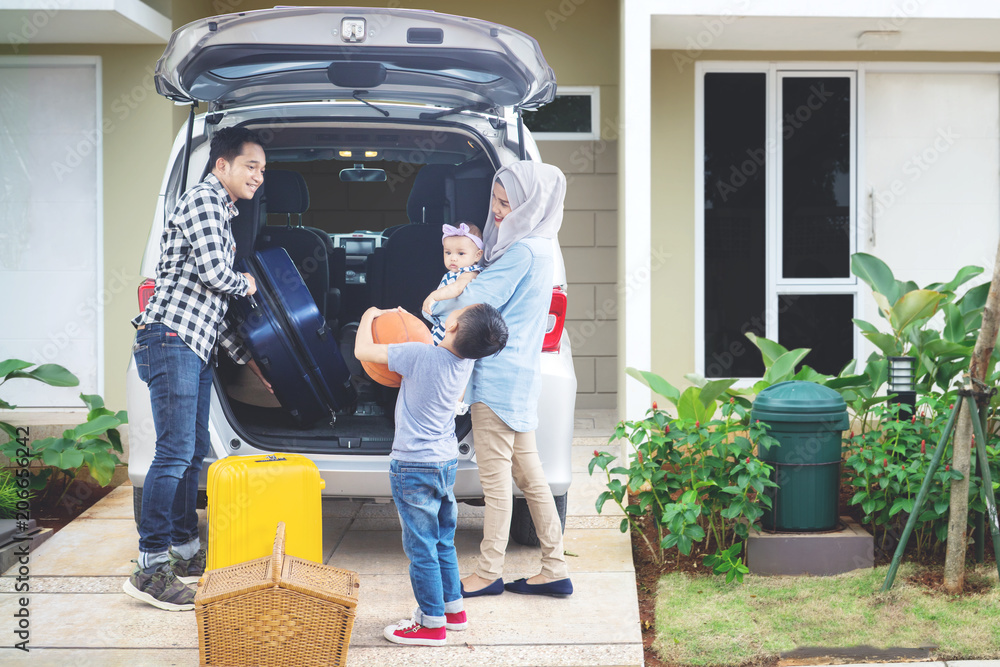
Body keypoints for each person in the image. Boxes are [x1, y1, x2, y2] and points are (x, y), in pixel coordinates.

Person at [125, 127, 272, 611]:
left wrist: (248, 359)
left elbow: (207, 306)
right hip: (170, 338)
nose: (258, 175)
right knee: (172, 453)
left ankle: (185, 550)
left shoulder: (224, 210)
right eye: (251, 165)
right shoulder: (206, 201)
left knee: (189, 453)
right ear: (222, 165)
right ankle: (149, 568)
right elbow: (216, 276)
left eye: (263, 169)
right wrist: (248, 282)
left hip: (192, 340)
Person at [429, 161, 574, 599]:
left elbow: (475, 300)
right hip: (520, 378)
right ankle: (555, 567)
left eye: (507, 203)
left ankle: (488, 571)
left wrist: (436, 301)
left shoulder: (522, 251)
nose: (496, 210)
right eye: (495, 198)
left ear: (531, 204)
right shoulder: (542, 245)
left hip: (496, 378)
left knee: (495, 483)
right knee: (531, 478)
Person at [354, 303, 508, 646]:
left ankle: (431, 624)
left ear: (452, 325)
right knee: (441, 540)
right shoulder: (467, 361)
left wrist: (369, 316)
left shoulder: (418, 355)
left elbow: (362, 349)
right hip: (444, 462)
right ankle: (453, 611)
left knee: (420, 546)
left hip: (412, 465)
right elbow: (450, 339)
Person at [422, 222, 485, 345]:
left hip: (454, 327)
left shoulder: (470, 272)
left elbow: (456, 288)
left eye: (461, 253)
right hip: (443, 323)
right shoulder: (454, 273)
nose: (453, 258)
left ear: (477, 255)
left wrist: (433, 296)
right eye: (448, 253)